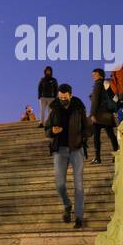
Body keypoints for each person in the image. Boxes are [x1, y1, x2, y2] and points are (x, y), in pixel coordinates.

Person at [46, 84, 90, 227]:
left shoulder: (79, 108)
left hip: (76, 150)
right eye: (60, 97)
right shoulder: (54, 109)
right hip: (60, 151)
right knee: (59, 184)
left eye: (65, 97)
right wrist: (52, 131)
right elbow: (47, 129)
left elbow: (88, 128)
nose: (62, 99)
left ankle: (78, 216)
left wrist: (81, 137)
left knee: (78, 185)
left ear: (70, 95)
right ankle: (67, 204)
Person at [88, 68, 118, 165]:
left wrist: (92, 114)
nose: (93, 76)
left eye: (94, 74)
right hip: (107, 114)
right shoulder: (106, 83)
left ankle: (97, 158)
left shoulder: (97, 84)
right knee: (111, 136)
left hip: (98, 114)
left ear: (99, 75)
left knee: (97, 137)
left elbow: (95, 100)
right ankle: (117, 155)